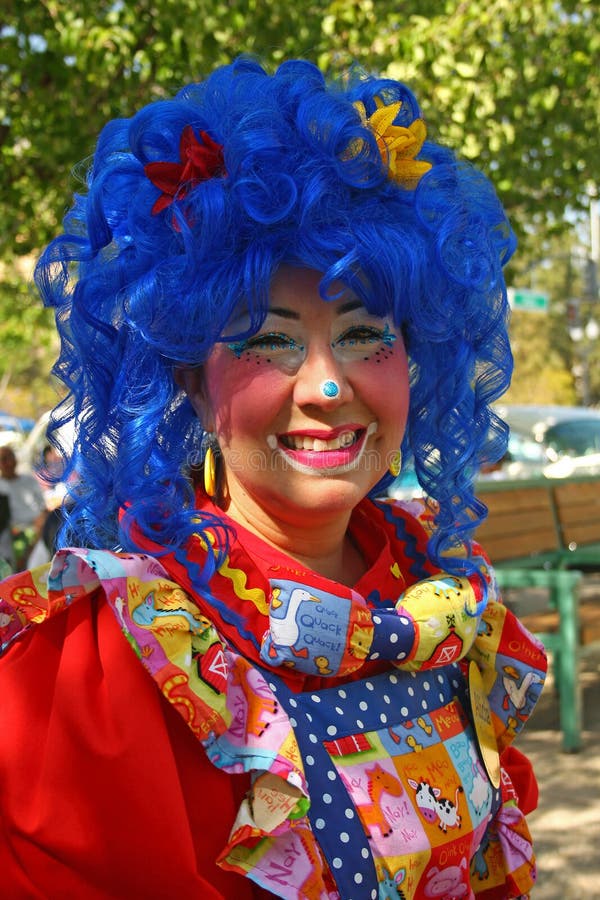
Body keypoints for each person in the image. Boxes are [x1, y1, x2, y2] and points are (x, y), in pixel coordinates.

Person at [0, 57, 547, 899]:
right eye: (268, 339)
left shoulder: (439, 593)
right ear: (190, 380)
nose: (327, 387)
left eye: (365, 335)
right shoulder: (108, 661)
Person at [0, 444, 48, 570]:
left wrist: (38, 529)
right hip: (10, 538)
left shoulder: (29, 480)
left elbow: (43, 508)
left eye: (10, 457)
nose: (8, 463)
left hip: (37, 531)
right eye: (4, 459)